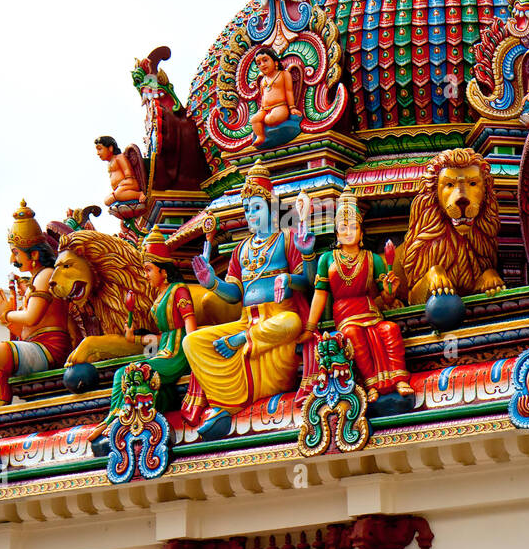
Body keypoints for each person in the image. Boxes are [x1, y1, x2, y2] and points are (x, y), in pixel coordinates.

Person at [184, 161, 315, 438]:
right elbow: (234, 295)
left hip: (276, 321)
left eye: (256, 207)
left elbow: (309, 282)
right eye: (247, 209)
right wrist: (212, 283)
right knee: (192, 341)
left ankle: (242, 345)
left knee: (290, 322)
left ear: (271, 207)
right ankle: (225, 404)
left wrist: (291, 275)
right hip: (246, 321)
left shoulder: (287, 238)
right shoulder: (241, 250)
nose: (251, 215)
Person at [301, 190, 413, 403]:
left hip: (369, 309)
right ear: (336, 233)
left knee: (390, 329)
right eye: (343, 228)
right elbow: (320, 294)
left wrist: (391, 289)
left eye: (354, 227)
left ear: (362, 233)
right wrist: (310, 327)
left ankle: (398, 378)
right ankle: (370, 384)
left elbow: (387, 299)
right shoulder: (327, 260)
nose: (349, 232)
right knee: (353, 334)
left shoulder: (372, 259)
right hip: (345, 313)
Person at [92, 229, 196, 438]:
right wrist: (135, 338)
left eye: (148, 270)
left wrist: (195, 355)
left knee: (138, 371)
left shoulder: (179, 291)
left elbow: (189, 326)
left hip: (179, 355)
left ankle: (124, 422)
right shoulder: (159, 297)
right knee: (121, 374)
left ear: (163, 271)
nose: (145, 276)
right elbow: (162, 338)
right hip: (163, 353)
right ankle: (112, 418)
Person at [0, 201, 75, 403]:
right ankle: (5, 392)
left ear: (34, 254)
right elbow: (23, 329)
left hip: (49, 349)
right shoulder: (35, 279)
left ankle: (4, 396)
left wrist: (5, 313)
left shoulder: (46, 275)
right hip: (34, 346)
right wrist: (9, 317)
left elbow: (31, 318)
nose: (12, 259)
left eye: (15, 252)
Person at [250, 49, 296, 146]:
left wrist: (292, 107)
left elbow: (289, 91)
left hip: (280, 106)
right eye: (259, 63)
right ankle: (260, 136)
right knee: (254, 120)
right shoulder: (263, 80)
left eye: (265, 60)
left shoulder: (283, 74)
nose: (262, 64)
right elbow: (263, 95)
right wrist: (261, 109)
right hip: (265, 109)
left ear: (275, 62)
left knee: (270, 119)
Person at [94, 136, 146, 207]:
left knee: (118, 194)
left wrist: (124, 182)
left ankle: (139, 195)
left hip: (129, 184)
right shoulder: (110, 163)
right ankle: (118, 196)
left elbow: (128, 171)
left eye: (100, 149)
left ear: (110, 148)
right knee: (106, 201)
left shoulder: (119, 157)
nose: (97, 153)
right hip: (120, 189)